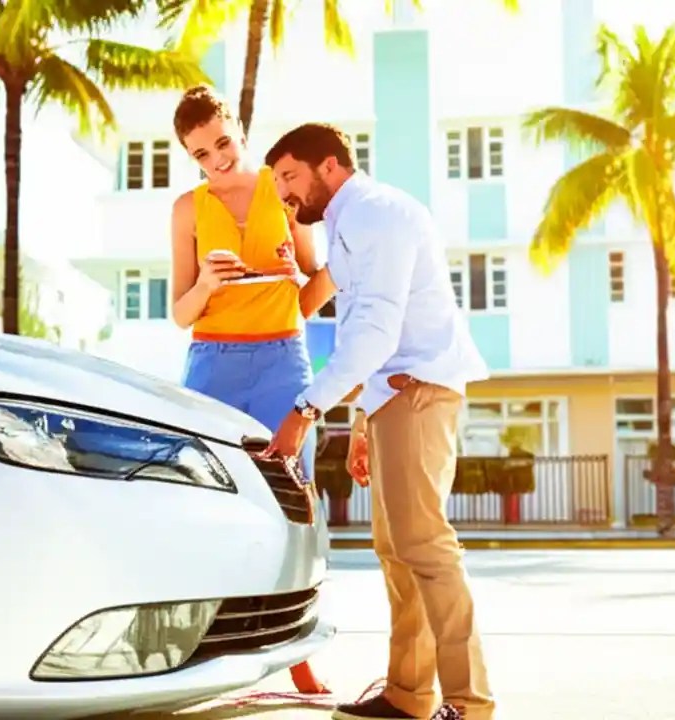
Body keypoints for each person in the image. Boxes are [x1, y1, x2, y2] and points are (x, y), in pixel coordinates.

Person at [261, 123, 494, 720]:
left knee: (427, 547)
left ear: (330, 167)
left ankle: (469, 703)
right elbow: (354, 322)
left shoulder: (376, 214)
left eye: (290, 176)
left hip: (419, 391)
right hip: (394, 395)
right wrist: (365, 417)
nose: (286, 192)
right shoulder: (346, 226)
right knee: (396, 550)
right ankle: (410, 693)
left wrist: (307, 409)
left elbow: (377, 329)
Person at [168, 85, 336, 696]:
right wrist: (208, 281)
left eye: (221, 143)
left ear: (237, 127)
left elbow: (319, 286)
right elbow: (180, 313)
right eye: (199, 153)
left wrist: (297, 278)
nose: (215, 159)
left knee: (294, 500)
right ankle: (205, 648)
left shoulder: (280, 187)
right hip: (212, 362)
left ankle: (298, 652)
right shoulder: (188, 209)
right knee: (207, 501)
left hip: (282, 359)